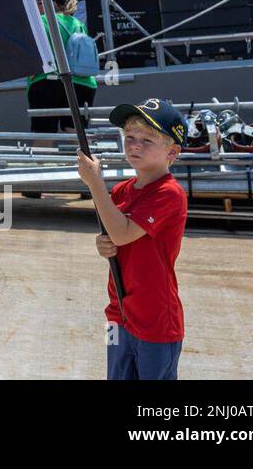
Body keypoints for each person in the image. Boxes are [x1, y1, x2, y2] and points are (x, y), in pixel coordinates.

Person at [76, 99, 188, 380]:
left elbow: (122, 233)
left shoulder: (169, 194)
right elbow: (113, 235)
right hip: (118, 313)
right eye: (130, 137)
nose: (135, 145)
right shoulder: (122, 190)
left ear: (172, 152)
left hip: (155, 320)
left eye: (147, 140)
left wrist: (95, 184)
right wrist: (102, 245)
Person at [26, 0, 97, 144]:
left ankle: (44, 168)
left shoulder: (40, 21)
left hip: (46, 83)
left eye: (37, 1)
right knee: (76, 135)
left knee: (44, 137)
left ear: (47, 2)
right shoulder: (78, 24)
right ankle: (87, 167)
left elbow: (33, 56)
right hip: (82, 84)